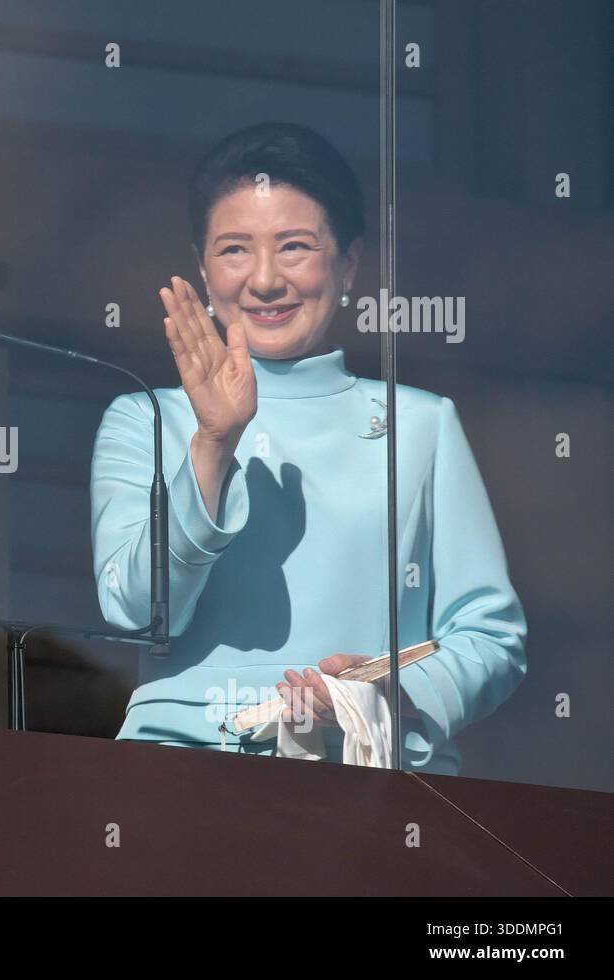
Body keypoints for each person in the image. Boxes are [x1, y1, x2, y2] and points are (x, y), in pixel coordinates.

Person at [90, 122, 525, 773]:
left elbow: (491, 638)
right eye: (235, 250)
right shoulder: (144, 417)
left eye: (295, 247)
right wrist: (214, 442)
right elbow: (132, 610)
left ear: (348, 263)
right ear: (203, 270)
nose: (265, 280)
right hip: (181, 774)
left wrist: (383, 694)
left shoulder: (420, 423)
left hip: (365, 777)